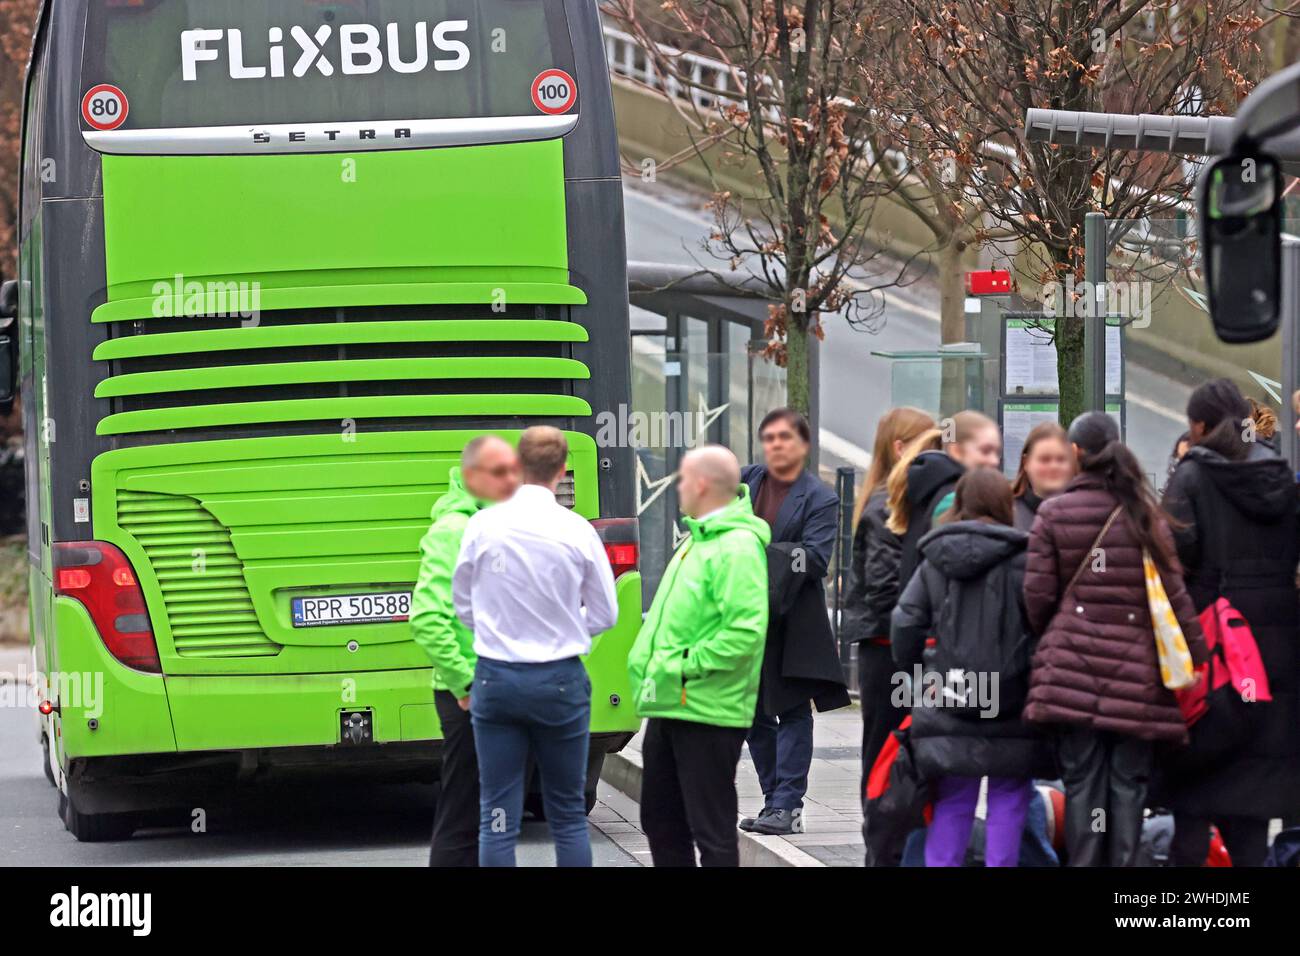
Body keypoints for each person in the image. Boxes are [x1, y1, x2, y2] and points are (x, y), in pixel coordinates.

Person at [1023, 412, 1207, 867]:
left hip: (1072, 673)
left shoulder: (1054, 512)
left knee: (1082, 783)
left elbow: (1037, 597)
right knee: (1128, 786)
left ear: (1077, 454)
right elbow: (1174, 594)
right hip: (1137, 676)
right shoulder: (1145, 514)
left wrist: (1059, 633)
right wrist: (1197, 654)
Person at [452, 426, 619, 867]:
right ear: (562, 470)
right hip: (559, 680)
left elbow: (462, 606)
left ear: (517, 466)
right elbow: (606, 614)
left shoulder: (482, 525)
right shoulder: (577, 530)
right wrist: (568, 626)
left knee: (498, 815)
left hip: (497, 679)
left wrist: (496, 628)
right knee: (566, 814)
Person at [1161, 379, 1300, 867]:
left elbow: (1171, 558)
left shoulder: (1193, 477)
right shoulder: (1280, 476)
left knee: (1193, 810)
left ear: (1199, 425)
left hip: (1213, 649)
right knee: (1252, 815)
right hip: (1275, 653)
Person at [891, 468, 1052, 866]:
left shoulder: (935, 558)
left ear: (960, 504)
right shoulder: (1026, 558)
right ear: (1005, 505)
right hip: (1013, 699)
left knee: (952, 798)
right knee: (1009, 798)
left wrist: (918, 674)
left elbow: (904, 622)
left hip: (950, 695)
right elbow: (1046, 621)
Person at [628, 445, 770, 866]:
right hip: (675, 702)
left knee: (711, 829)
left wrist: (684, 667)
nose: (679, 488)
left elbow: (745, 632)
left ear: (703, 484)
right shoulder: (700, 540)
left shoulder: (738, 546)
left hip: (707, 708)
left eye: (683, 479)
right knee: (660, 820)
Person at [411, 435, 520, 867]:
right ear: (471, 476)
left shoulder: (489, 523)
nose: (510, 481)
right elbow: (427, 617)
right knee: (464, 815)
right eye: (498, 473)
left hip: (490, 686)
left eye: (513, 471)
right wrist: (466, 681)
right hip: (470, 693)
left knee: (484, 815)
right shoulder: (454, 529)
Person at [739, 408, 847, 836]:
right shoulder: (747, 481)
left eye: (785, 437)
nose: (776, 445)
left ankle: (788, 804)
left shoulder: (819, 497)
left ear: (802, 445)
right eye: (769, 437)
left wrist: (756, 558)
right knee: (750, 713)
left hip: (792, 618)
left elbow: (816, 557)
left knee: (792, 710)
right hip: (745, 615)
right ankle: (773, 802)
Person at [843, 407, 935, 786]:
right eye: (927, 446)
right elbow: (885, 589)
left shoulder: (894, 502)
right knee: (885, 748)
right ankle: (882, 833)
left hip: (893, 644)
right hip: (888, 648)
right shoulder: (887, 507)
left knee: (891, 746)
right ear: (901, 449)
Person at [887, 409, 1001, 593]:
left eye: (997, 452)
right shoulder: (953, 499)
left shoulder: (928, 486)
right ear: (956, 450)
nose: (994, 461)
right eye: (985, 451)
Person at [1011, 421, 1073, 531]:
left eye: (1061, 459)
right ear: (1026, 463)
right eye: (1045, 459)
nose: (1054, 466)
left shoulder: (1084, 513)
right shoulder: (1007, 513)